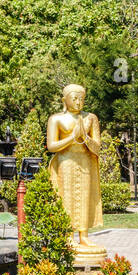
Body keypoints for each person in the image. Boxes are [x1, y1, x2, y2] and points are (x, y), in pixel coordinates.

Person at [46, 83, 104, 256]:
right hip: (66, 161)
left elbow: (98, 148)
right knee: (67, 197)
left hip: (85, 160)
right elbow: (51, 146)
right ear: (65, 100)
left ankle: (84, 235)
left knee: (85, 197)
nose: (79, 102)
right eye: (75, 98)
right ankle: (67, 235)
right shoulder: (56, 119)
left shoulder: (90, 118)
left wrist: (85, 137)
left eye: (81, 99)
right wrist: (72, 137)